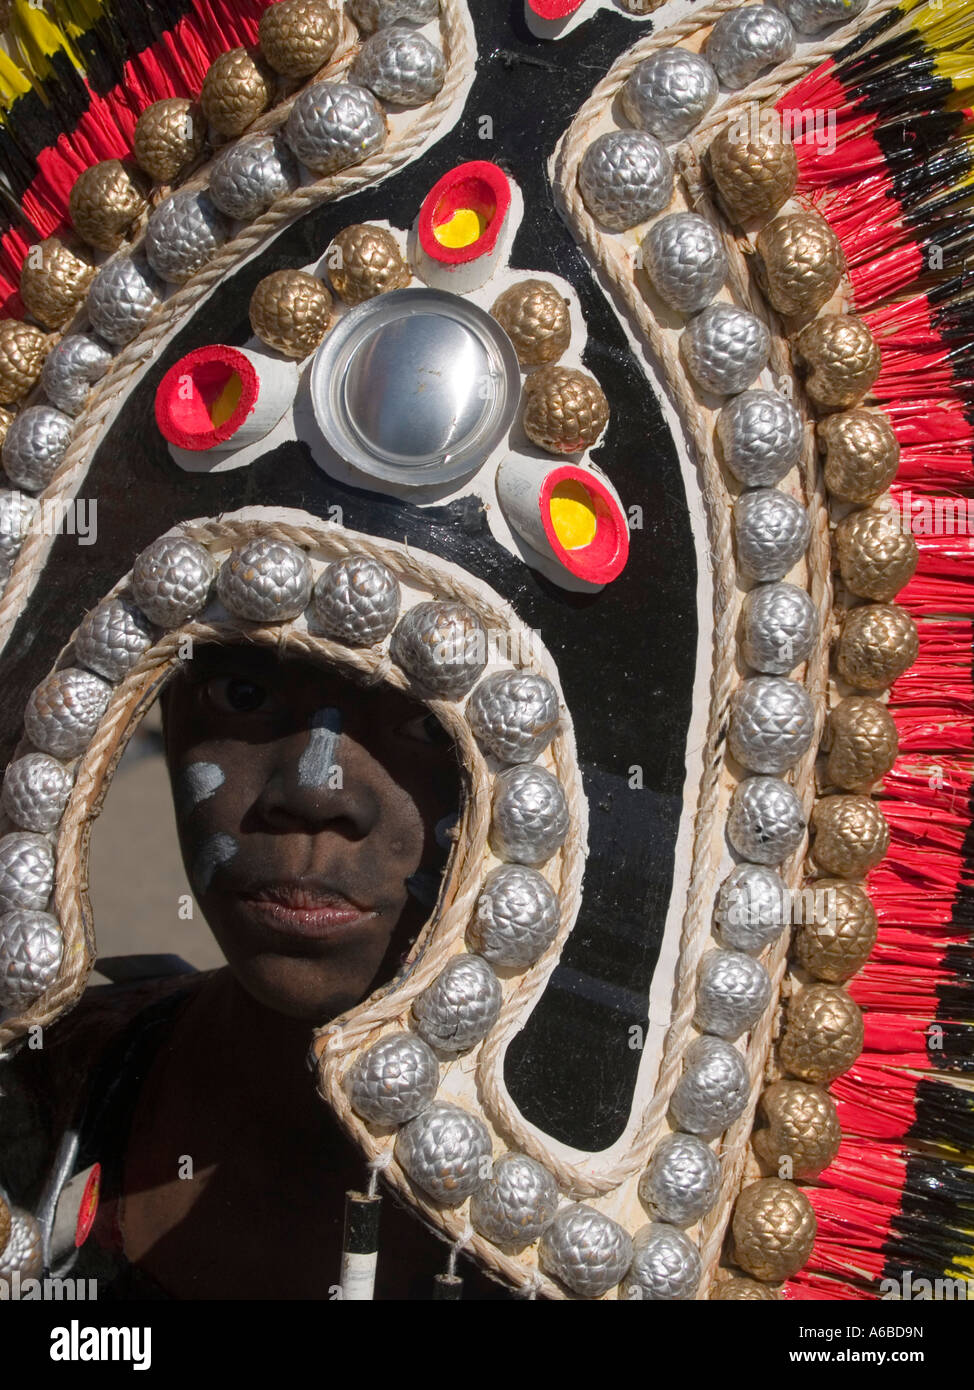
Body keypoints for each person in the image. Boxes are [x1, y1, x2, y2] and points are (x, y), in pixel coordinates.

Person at [0, 643, 510, 1299]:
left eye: (428, 726)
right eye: (243, 694)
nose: (313, 793)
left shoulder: (640, 1219)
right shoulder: (47, 1095)